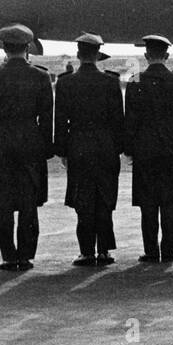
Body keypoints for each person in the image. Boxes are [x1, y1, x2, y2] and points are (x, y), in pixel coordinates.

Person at [0, 24, 53, 271]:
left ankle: (8, 256)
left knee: (3, 205)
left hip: (1, 145)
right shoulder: (41, 77)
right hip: (30, 144)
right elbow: (46, 119)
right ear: (27, 48)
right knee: (29, 203)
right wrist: (45, 150)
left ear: (4, 48)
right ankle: (26, 256)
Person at [123, 35, 173, 262]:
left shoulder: (135, 81)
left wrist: (129, 149)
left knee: (148, 202)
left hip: (144, 147)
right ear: (166, 56)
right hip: (171, 146)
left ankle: (150, 250)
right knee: (171, 202)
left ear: (146, 56)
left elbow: (130, 120)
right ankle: (169, 249)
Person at [53, 32, 123, 266]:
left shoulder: (65, 82)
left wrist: (62, 150)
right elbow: (118, 120)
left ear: (78, 55)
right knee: (104, 198)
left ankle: (86, 251)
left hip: (79, 145)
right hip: (105, 145)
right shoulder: (111, 82)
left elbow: (60, 121)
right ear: (98, 55)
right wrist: (118, 148)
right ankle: (103, 250)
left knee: (83, 200)